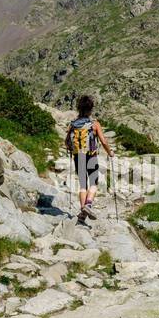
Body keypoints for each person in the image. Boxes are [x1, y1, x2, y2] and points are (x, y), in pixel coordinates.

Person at [65, 95, 113, 224]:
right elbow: (103, 141)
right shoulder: (94, 124)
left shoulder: (73, 125)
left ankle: (82, 211)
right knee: (93, 183)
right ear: (91, 109)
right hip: (91, 156)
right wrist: (110, 152)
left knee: (82, 185)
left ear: (79, 108)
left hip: (77, 156)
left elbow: (66, 142)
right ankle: (89, 205)